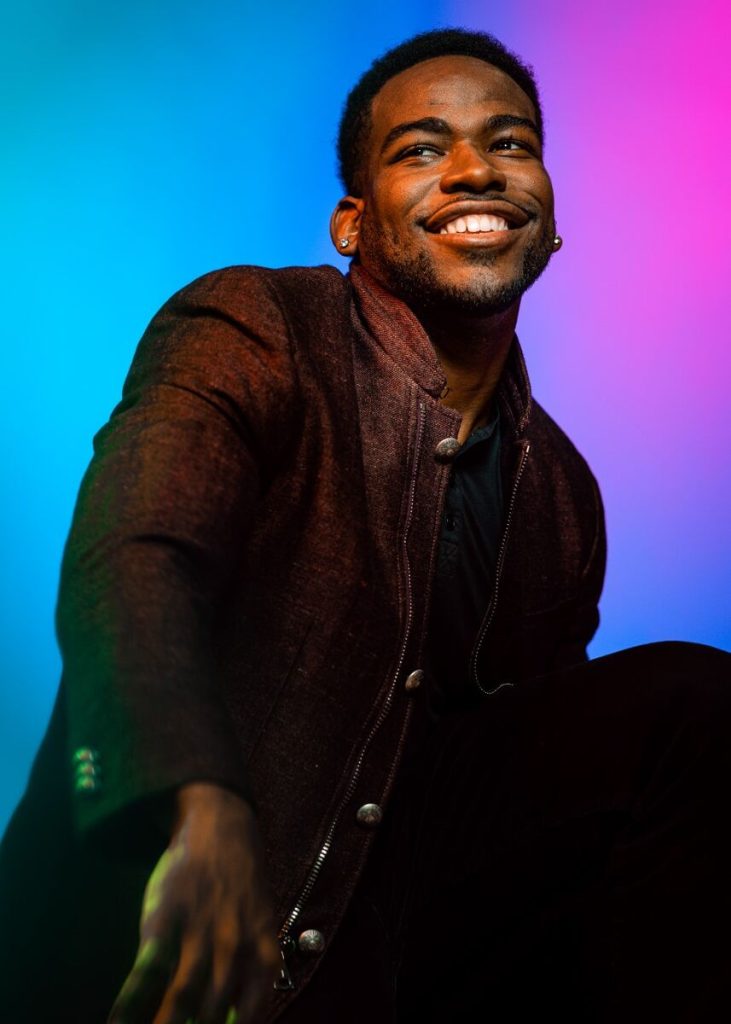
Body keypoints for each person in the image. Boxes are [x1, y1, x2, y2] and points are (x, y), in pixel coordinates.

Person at [1, 26, 729, 1024]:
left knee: (694, 710)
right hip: (131, 958)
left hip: (375, 963)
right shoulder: (256, 323)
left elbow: (535, 795)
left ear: (549, 215)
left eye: (510, 144)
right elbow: (136, 555)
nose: (475, 169)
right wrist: (195, 799)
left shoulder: (562, 497)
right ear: (351, 223)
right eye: (420, 148)